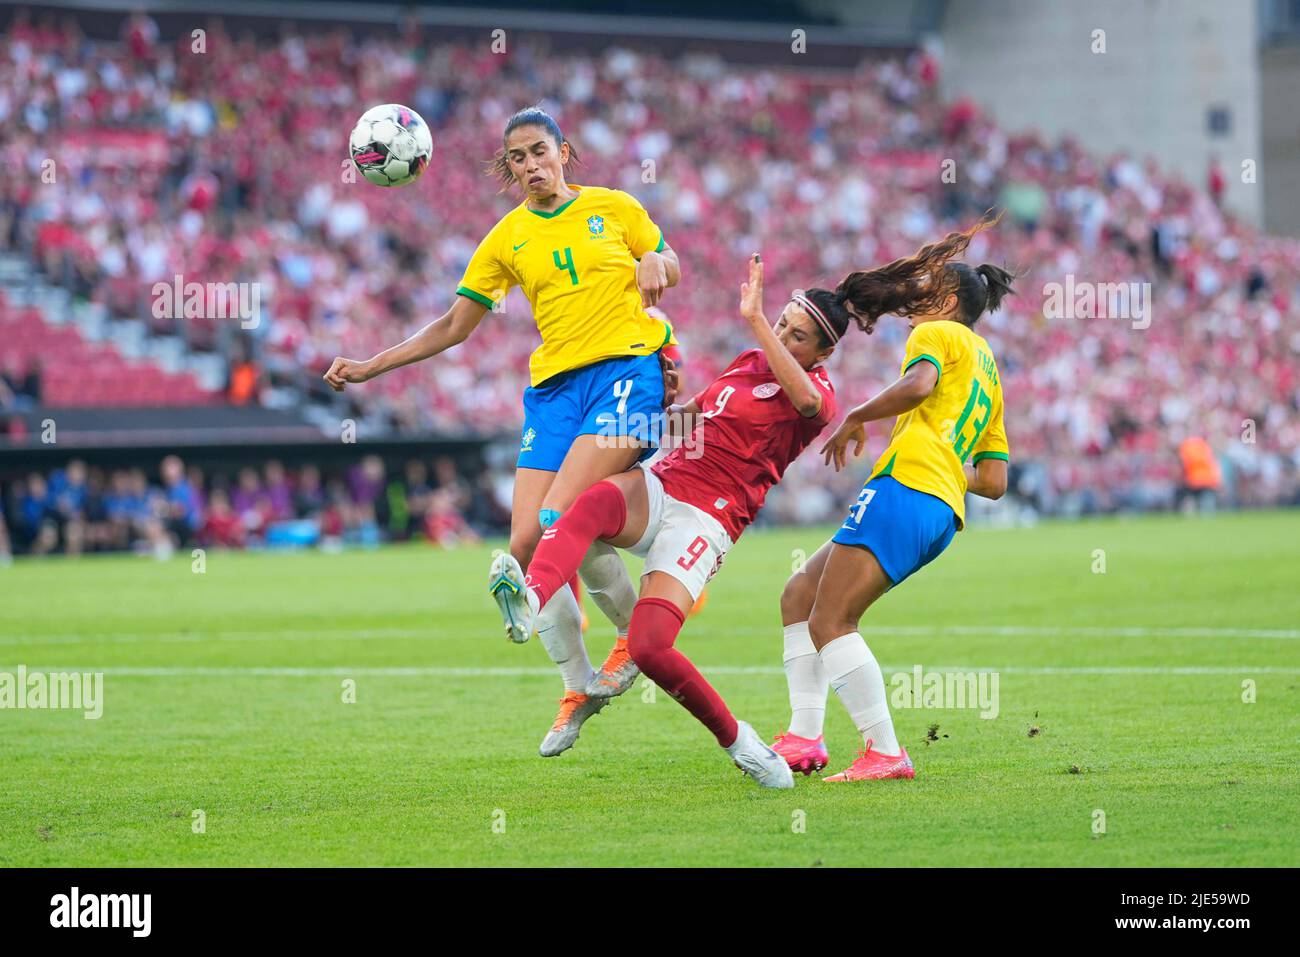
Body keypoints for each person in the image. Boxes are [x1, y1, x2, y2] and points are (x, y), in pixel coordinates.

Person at [490, 229, 979, 781]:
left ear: (823, 353)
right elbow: (689, 423)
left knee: (654, 649)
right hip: (667, 486)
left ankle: (739, 741)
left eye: (796, 336)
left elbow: (807, 400)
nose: (781, 336)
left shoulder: (818, 398)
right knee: (590, 504)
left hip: (707, 519)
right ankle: (530, 600)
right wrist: (658, 405)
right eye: (780, 326)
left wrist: (754, 318)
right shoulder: (749, 361)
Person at [324, 106, 681, 742]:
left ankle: (633, 638)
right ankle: (579, 685)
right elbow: (455, 326)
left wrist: (659, 262)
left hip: (627, 373)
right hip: (553, 391)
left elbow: (666, 261)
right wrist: (373, 365)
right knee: (523, 544)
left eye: (540, 152)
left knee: (560, 519)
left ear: (563, 152)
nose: (531, 166)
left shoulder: (616, 207)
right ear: (508, 166)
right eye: (517, 158)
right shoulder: (506, 238)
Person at [773, 228, 1016, 783]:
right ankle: (804, 736)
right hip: (940, 510)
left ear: (949, 303)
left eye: (929, 287)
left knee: (832, 620)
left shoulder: (937, 333)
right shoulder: (989, 368)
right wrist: (951, 468)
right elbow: (996, 480)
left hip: (905, 489)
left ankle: (884, 751)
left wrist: (857, 415)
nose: (916, 296)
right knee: (799, 596)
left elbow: (917, 386)